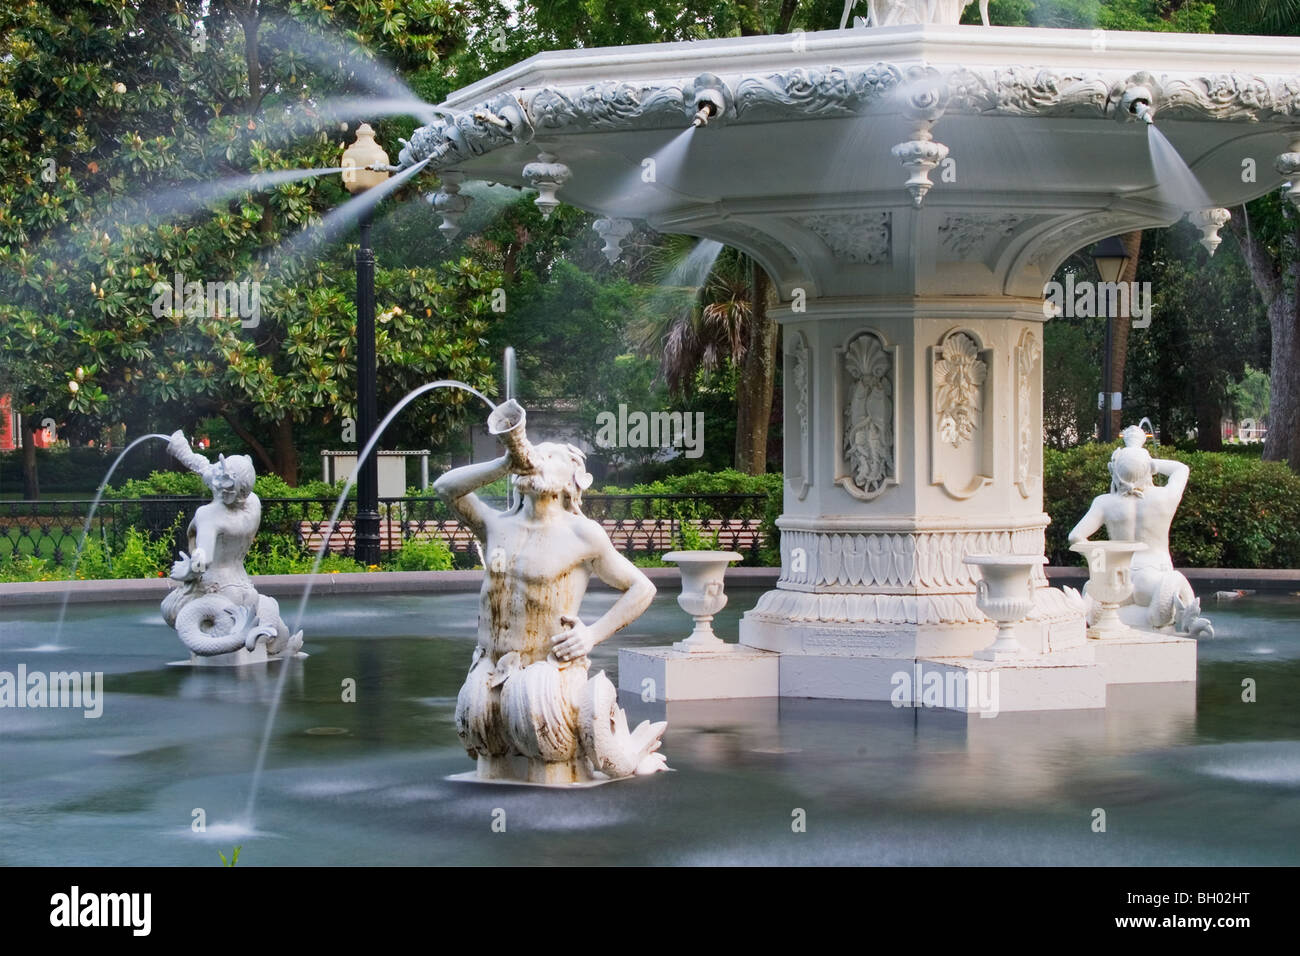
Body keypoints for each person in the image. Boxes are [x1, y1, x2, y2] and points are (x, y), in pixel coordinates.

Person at [435, 401, 668, 783]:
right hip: (488, 666)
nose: (538, 458)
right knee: (490, 772)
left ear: (572, 480)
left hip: (546, 676)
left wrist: (591, 634)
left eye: (551, 455)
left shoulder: (582, 534)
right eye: (535, 452)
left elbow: (641, 587)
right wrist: (505, 463)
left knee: (552, 772)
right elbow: (444, 488)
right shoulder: (495, 524)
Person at [161, 430, 301, 658]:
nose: (214, 473)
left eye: (220, 474)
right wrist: (184, 452)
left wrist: (186, 571)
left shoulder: (209, 515)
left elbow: (202, 562)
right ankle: (277, 643)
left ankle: (230, 646)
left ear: (226, 488)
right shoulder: (252, 503)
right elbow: (209, 471)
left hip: (217, 590)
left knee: (169, 609)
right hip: (246, 589)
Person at [1067, 425, 1211, 636]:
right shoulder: (1164, 498)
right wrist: (1150, 463)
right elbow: (1182, 469)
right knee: (1174, 585)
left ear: (1114, 470)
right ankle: (1189, 625)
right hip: (1153, 580)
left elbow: (1075, 537)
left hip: (1116, 581)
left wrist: (1100, 566)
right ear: (1148, 470)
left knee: (1095, 601)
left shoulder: (1105, 502)